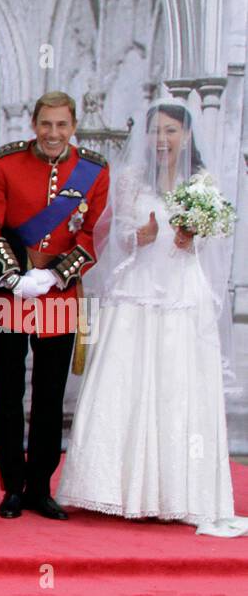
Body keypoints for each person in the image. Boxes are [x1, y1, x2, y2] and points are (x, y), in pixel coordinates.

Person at [56, 102, 247, 536]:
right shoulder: (130, 181)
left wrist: (191, 238)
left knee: (177, 386)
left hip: (181, 293)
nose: (162, 139)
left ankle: (177, 492)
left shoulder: (203, 184)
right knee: (130, 380)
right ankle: (119, 489)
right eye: (156, 131)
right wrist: (135, 237)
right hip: (138, 291)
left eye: (172, 130)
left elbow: (217, 247)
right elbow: (112, 236)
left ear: (187, 135)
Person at [0, 91, 110, 520]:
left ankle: (40, 487)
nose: (53, 133)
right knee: (8, 394)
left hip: (60, 295)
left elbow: (94, 234)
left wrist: (53, 275)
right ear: (34, 123)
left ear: (74, 126)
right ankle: (12, 486)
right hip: (9, 296)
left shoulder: (94, 170)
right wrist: (14, 276)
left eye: (62, 125)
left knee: (50, 396)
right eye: (46, 124)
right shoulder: (5, 162)